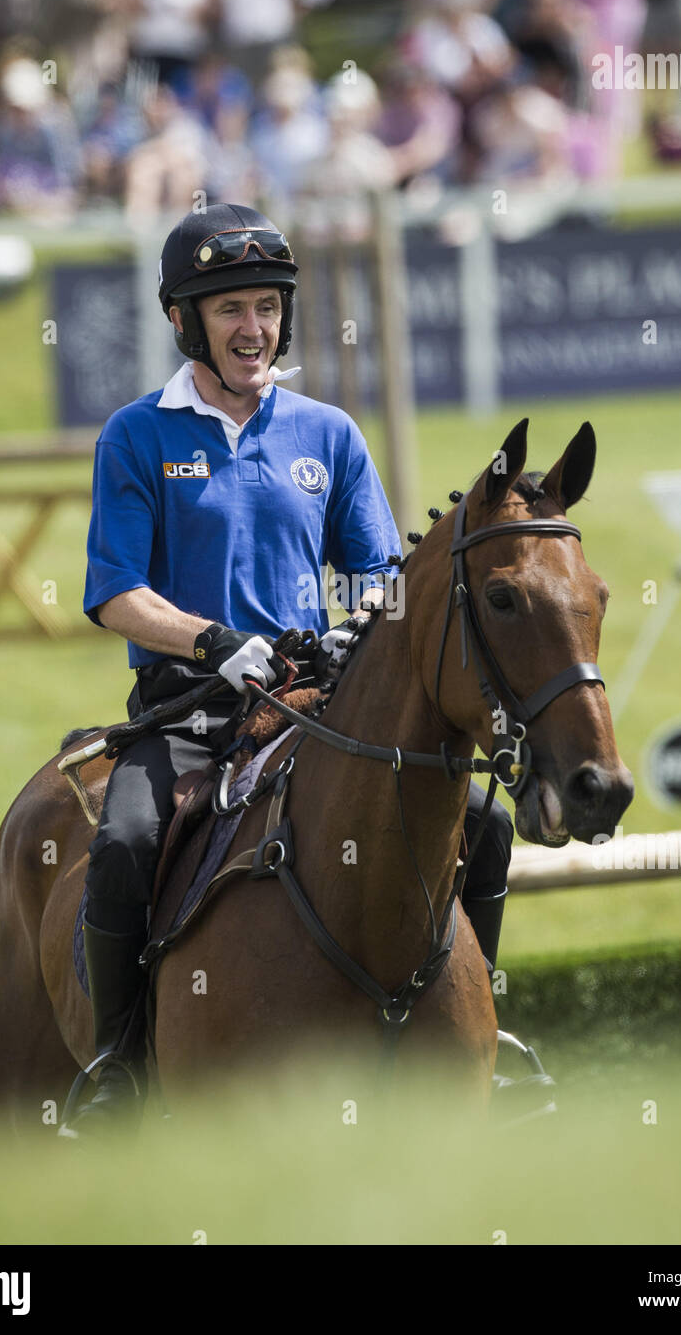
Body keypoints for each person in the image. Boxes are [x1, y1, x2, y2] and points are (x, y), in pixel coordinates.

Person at [63, 202, 512, 1139]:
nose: (252, 328)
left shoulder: (329, 435)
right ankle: (118, 1064)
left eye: (266, 307)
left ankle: (478, 1029)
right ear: (184, 322)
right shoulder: (136, 436)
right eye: (228, 309)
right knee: (126, 843)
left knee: (483, 820)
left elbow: (384, 581)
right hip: (189, 710)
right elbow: (114, 593)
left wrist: (360, 635)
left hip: (313, 703)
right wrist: (209, 641)